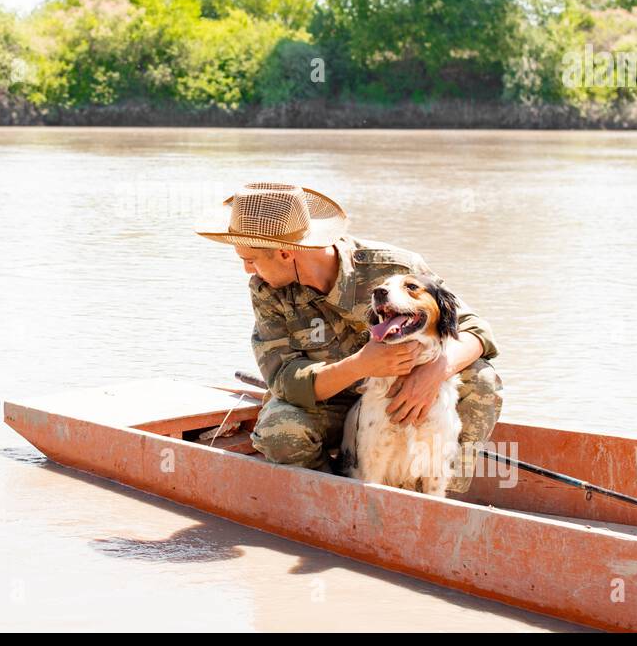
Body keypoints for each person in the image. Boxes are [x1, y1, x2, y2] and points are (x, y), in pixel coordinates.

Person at [195, 182, 503, 492]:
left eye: (249, 259)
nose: (248, 270)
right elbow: (285, 380)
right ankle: (334, 497)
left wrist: (436, 372)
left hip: (405, 395)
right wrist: (361, 365)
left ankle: (442, 497)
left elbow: (475, 330)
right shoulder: (268, 291)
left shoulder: (392, 267)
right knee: (280, 430)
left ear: (286, 253)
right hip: (330, 406)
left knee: (482, 380)